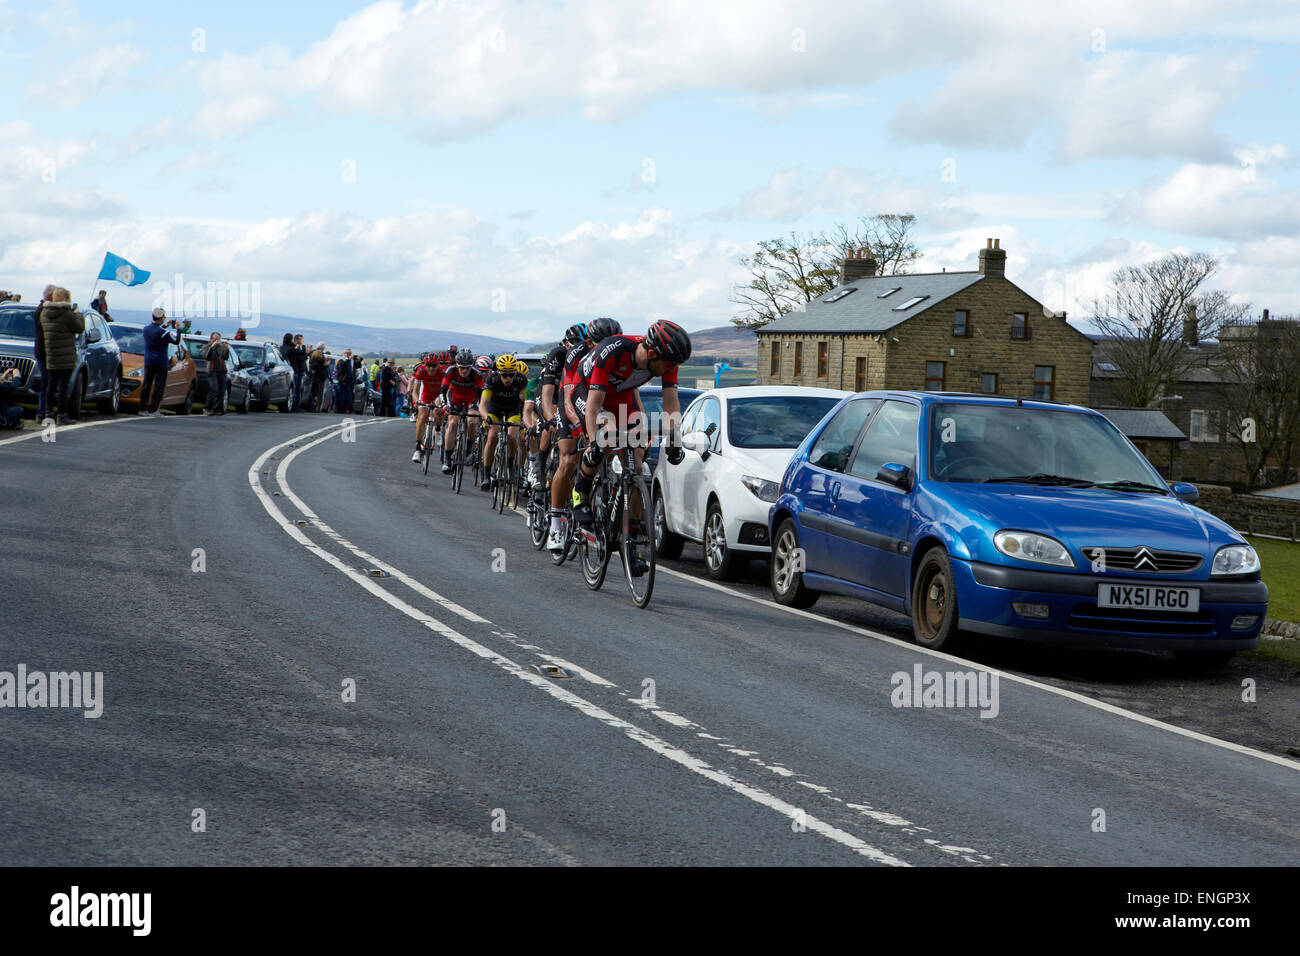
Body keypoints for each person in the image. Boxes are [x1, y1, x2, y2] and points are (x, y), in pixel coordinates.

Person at [571, 320, 692, 532]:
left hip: (621, 395)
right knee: (604, 436)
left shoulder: (667, 361)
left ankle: (630, 533)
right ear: (652, 352)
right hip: (588, 390)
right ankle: (580, 492)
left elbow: (671, 402)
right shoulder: (613, 350)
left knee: (637, 463)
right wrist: (593, 441)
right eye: (669, 364)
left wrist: (675, 439)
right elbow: (594, 404)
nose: (671, 369)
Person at [547, 318, 618, 552]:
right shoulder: (577, 353)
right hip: (572, 399)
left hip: (599, 399)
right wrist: (581, 428)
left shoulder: (617, 354)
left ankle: (595, 494)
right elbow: (568, 398)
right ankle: (556, 525)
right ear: (591, 342)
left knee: (608, 448)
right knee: (569, 458)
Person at [478, 354, 526, 490]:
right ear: (498, 373)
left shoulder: (521, 380)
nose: (508, 379)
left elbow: (523, 402)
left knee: (512, 437)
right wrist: (485, 416)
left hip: (513, 409)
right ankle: (487, 475)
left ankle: (510, 464)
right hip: (494, 408)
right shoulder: (492, 379)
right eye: (504, 376)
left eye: (511, 375)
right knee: (492, 437)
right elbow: (483, 404)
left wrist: (523, 420)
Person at [39, 288, 85, 425]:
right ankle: (62, 415)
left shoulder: (44, 313)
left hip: (51, 355)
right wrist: (78, 314)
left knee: (51, 385)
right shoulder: (67, 315)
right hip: (66, 357)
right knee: (63, 387)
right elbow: (79, 328)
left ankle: (48, 413)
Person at [438, 351, 483, 474]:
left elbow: (481, 397)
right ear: (457, 366)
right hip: (455, 399)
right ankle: (447, 459)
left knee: (473, 421)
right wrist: (444, 405)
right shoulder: (451, 371)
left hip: (471, 400)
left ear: (471, 367)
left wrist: (480, 411)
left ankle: (468, 449)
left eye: (467, 368)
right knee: (452, 423)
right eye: (462, 368)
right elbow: (442, 391)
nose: (464, 371)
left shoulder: (476, 374)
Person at [140, 307, 181, 417]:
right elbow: (176, 341)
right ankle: (153, 409)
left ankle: (142, 408)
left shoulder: (146, 329)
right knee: (159, 386)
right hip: (161, 361)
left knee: (146, 385)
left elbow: (155, 331)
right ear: (162, 317)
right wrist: (178, 329)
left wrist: (165, 326)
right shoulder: (165, 333)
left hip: (148, 360)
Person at [32, 284, 54, 421]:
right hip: (44, 352)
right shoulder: (44, 310)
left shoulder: (42, 309)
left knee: (47, 384)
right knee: (46, 384)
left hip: (43, 351)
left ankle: (43, 412)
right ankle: (42, 413)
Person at [203, 331, 231, 415]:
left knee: (222, 391)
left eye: (218, 339)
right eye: (215, 339)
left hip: (222, 371)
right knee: (214, 390)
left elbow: (225, 357)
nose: (217, 341)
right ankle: (207, 407)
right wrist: (212, 347)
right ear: (211, 339)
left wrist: (226, 349)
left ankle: (218, 409)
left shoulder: (221, 347)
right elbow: (207, 357)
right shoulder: (207, 347)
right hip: (212, 371)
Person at [285, 333, 307, 411]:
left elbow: (304, 356)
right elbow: (301, 356)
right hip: (295, 370)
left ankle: (297, 405)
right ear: (296, 340)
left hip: (300, 370)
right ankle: (295, 406)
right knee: (295, 389)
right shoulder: (293, 348)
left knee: (298, 390)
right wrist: (303, 347)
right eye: (300, 339)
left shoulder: (298, 348)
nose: (301, 341)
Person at [308, 342, 327, 411]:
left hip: (313, 377)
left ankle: (311, 406)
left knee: (312, 392)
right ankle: (317, 407)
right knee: (319, 394)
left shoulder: (311, 354)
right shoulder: (321, 357)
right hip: (320, 378)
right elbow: (321, 368)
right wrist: (325, 365)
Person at [336, 349, 355, 414]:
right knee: (342, 396)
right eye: (347, 353)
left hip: (349, 381)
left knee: (349, 396)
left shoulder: (350, 361)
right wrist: (348, 359)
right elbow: (342, 366)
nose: (348, 354)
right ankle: (341, 409)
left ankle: (348, 409)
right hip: (343, 381)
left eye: (349, 353)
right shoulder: (341, 361)